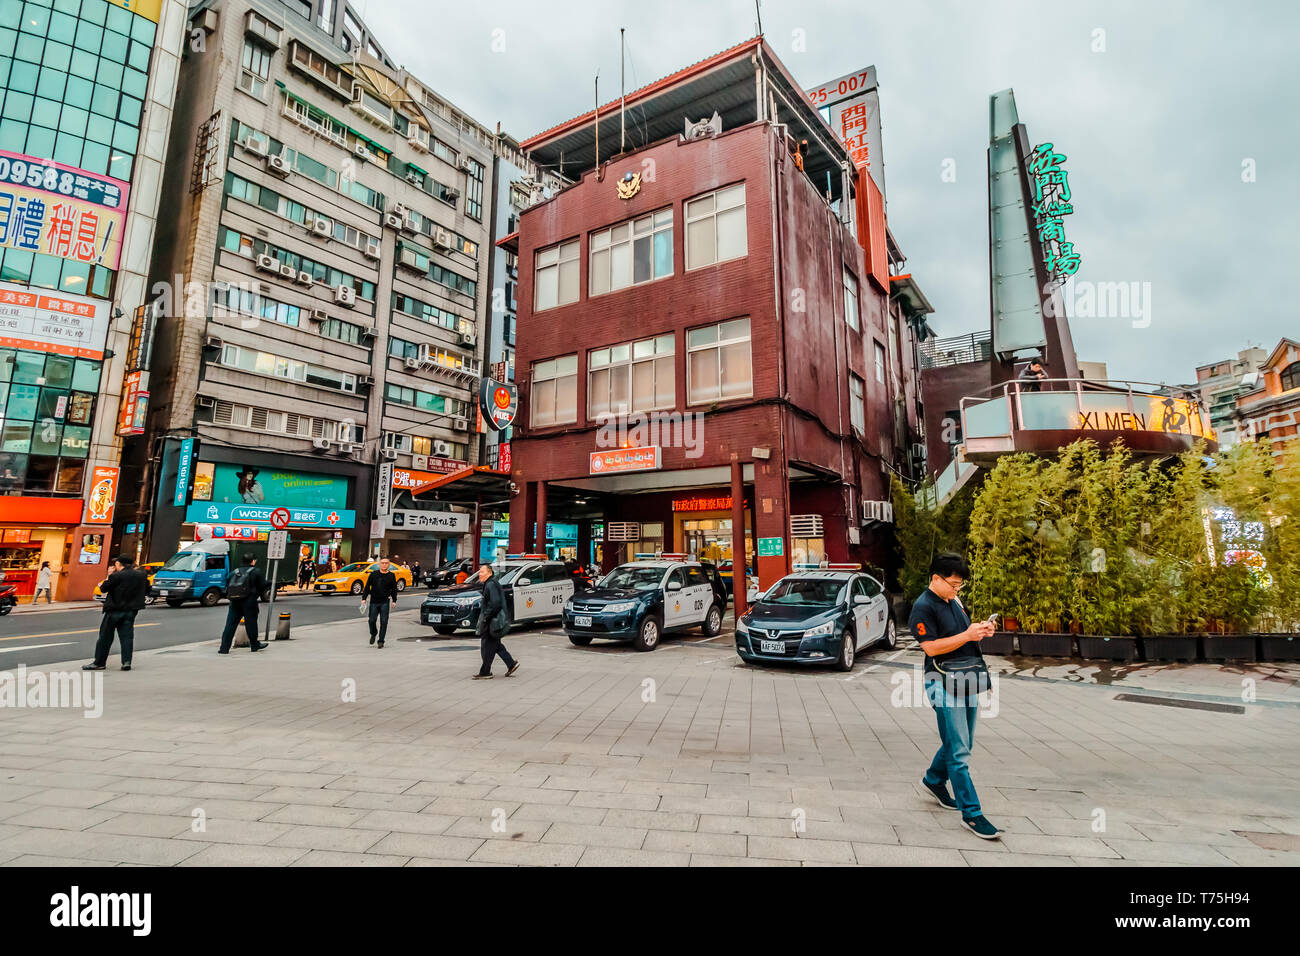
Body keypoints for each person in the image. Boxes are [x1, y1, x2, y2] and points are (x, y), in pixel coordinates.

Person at [909, 552, 1000, 840]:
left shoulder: (955, 601)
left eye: (960, 585)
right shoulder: (923, 607)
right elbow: (931, 648)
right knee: (960, 751)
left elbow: (964, 635)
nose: (956, 589)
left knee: (962, 742)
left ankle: (934, 780)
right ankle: (971, 814)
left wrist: (982, 630)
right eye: (953, 584)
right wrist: (967, 635)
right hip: (942, 682)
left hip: (967, 678)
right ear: (936, 578)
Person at [83, 556, 149, 671]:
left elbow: (103, 588)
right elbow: (148, 590)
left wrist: (109, 575)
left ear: (119, 564)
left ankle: (99, 662)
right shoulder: (141, 575)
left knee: (105, 637)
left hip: (114, 609)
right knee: (127, 637)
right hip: (131, 610)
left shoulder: (116, 576)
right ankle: (126, 662)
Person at [473, 563, 518, 679]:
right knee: (495, 644)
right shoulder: (490, 583)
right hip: (493, 621)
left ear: (489, 573)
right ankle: (511, 663)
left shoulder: (490, 585)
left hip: (492, 621)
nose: (480, 574)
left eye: (482, 572)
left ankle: (485, 672)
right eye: (479, 572)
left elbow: (495, 604)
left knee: (487, 645)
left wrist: (486, 617)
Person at [218, 553, 267, 654]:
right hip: (249, 602)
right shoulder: (255, 572)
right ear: (253, 561)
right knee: (251, 624)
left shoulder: (234, 572)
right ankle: (254, 645)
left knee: (230, 625)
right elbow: (263, 586)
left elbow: (227, 584)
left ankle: (224, 648)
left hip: (234, 602)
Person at [361, 556, 399, 648]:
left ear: (389, 565)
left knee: (384, 621)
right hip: (374, 601)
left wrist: (394, 600)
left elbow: (394, 589)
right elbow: (367, 587)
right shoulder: (374, 574)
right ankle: (373, 633)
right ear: (379, 564)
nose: (384, 564)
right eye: (382, 563)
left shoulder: (391, 575)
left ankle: (381, 641)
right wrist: (364, 598)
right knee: (371, 620)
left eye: (386, 563)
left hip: (385, 602)